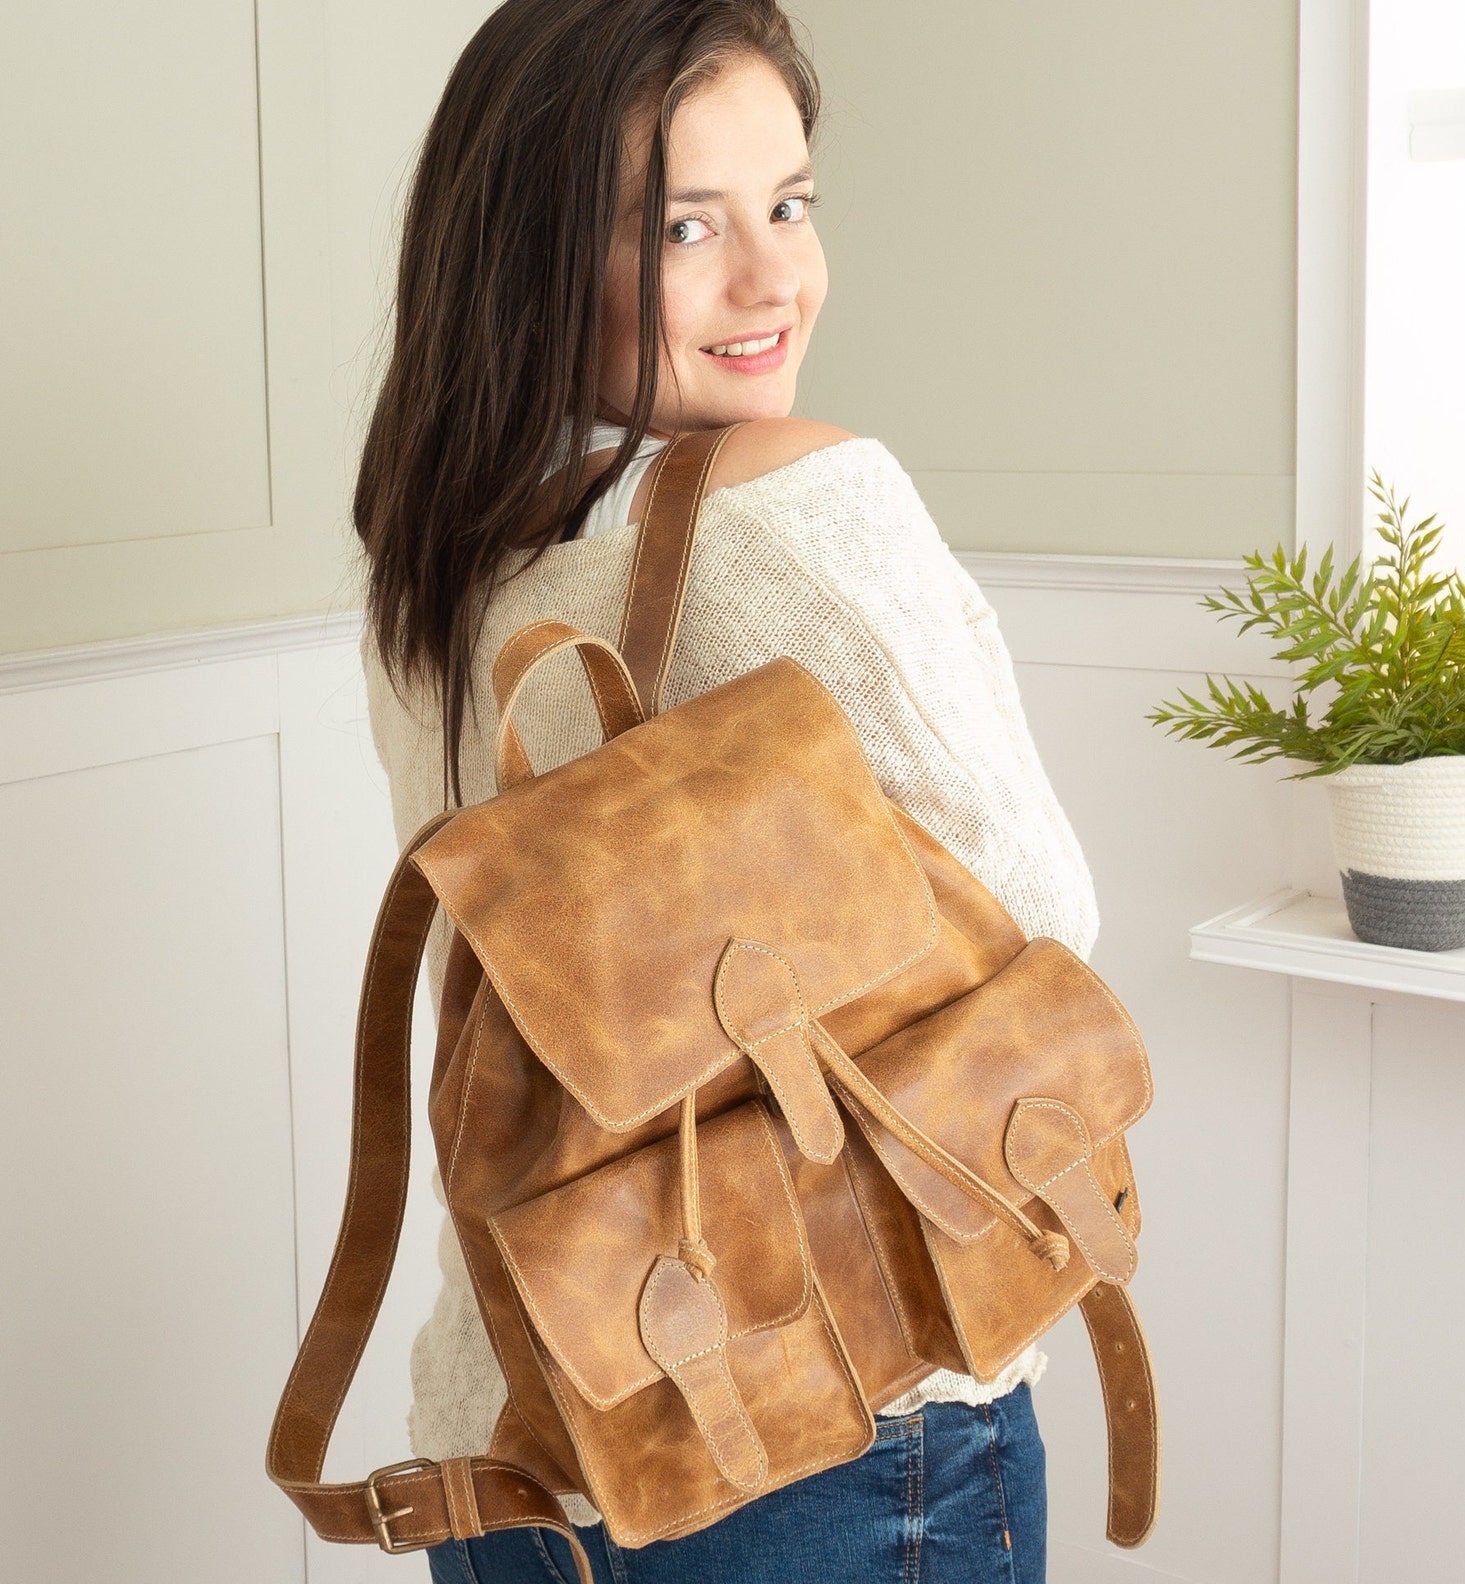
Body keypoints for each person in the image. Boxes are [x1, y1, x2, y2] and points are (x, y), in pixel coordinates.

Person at [355, 3, 1097, 1579]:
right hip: (818, 1420)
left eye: (791, 203)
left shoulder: (433, 551)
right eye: (686, 226)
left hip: (515, 1430)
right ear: (534, 252)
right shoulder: (792, 501)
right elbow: (1041, 917)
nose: (776, 278)